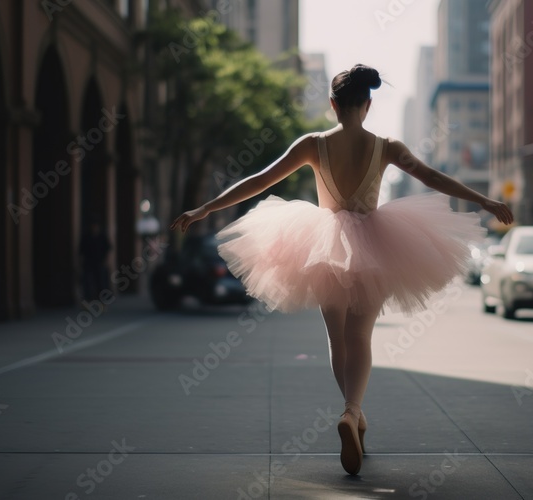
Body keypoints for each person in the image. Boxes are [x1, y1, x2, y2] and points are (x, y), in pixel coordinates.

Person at [170, 64, 514, 475]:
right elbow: (431, 176)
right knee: (361, 337)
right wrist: (485, 200)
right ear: (367, 105)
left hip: (322, 248)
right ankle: (353, 411)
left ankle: (353, 411)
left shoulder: (313, 144)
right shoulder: (385, 146)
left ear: (333, 104)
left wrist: (205, 207)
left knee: (338, 341)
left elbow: (260, 180)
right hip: (377, 243)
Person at [79, 219, 112, 309]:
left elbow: (108, 249)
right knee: (88, 284)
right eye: (93, 226)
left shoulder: (102, 237)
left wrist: (106, 261)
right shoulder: (86, 237)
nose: (94, 228)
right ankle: (87, 303)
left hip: (100, 263)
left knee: (101, 283)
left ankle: (102, 304)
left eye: (96, 226)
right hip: (88, 263)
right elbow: (81, 251)